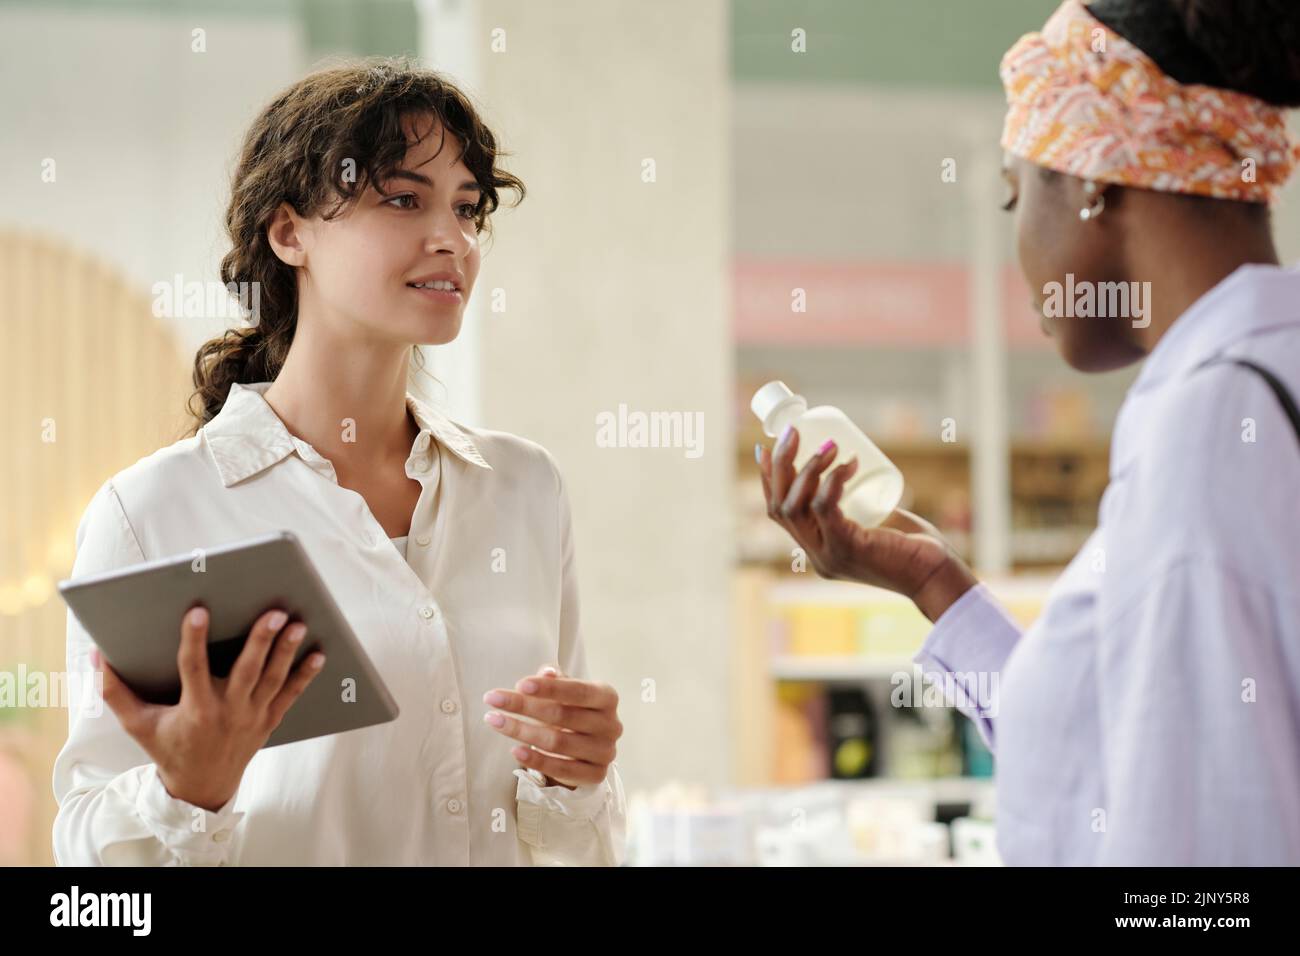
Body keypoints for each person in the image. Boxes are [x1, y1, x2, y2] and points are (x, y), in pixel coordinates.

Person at [759, 0, 1300, 865]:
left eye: (1016, 195)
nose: (1019, 253)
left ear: (1092, 176)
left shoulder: (1210, 437)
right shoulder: (1251, 390)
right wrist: (936, 582)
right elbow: (1106, 769)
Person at [53, 58, 625, 866]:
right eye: (403, 198)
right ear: (289, 233)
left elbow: (576, 846)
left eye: (468, 209)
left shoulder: (524, 487)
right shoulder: (153, 512)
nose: (452, 239)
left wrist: (578, 778)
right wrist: (189, 789)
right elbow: (92, 870)